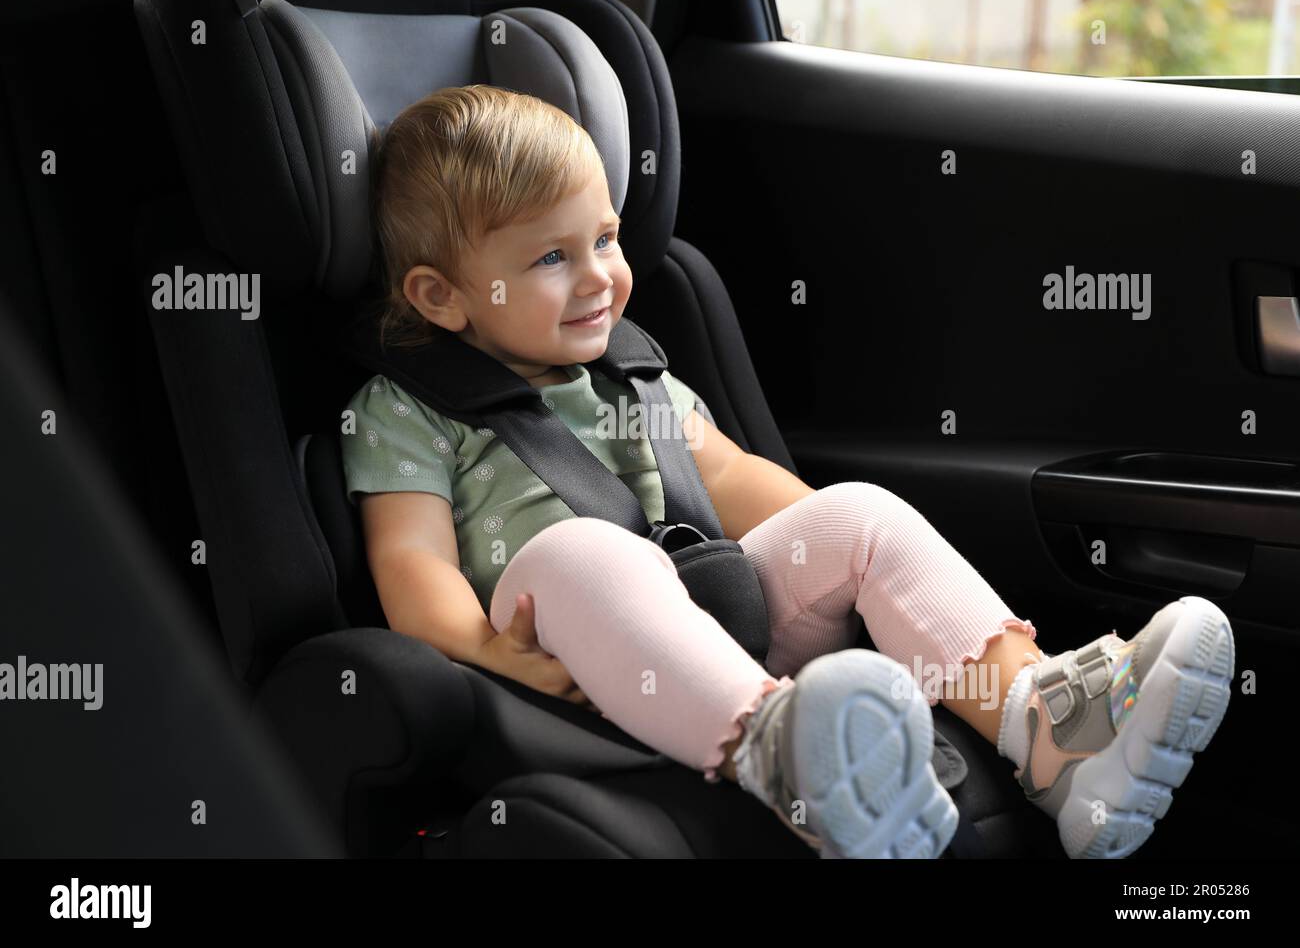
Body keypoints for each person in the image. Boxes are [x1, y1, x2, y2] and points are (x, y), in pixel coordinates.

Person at [340, 84, 1235, 859]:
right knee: (586, 553)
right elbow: (412, 565)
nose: (601, 278)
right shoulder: (408, 408)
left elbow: (733, 480)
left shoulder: (636, 370)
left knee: (858, 511)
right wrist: (489, 652)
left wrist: (852, 569)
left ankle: (1055, 735)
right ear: (440, 296)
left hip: (711, 623)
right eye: (550, 257)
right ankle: (793, 764)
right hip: (554, 666)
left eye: (606, 238)